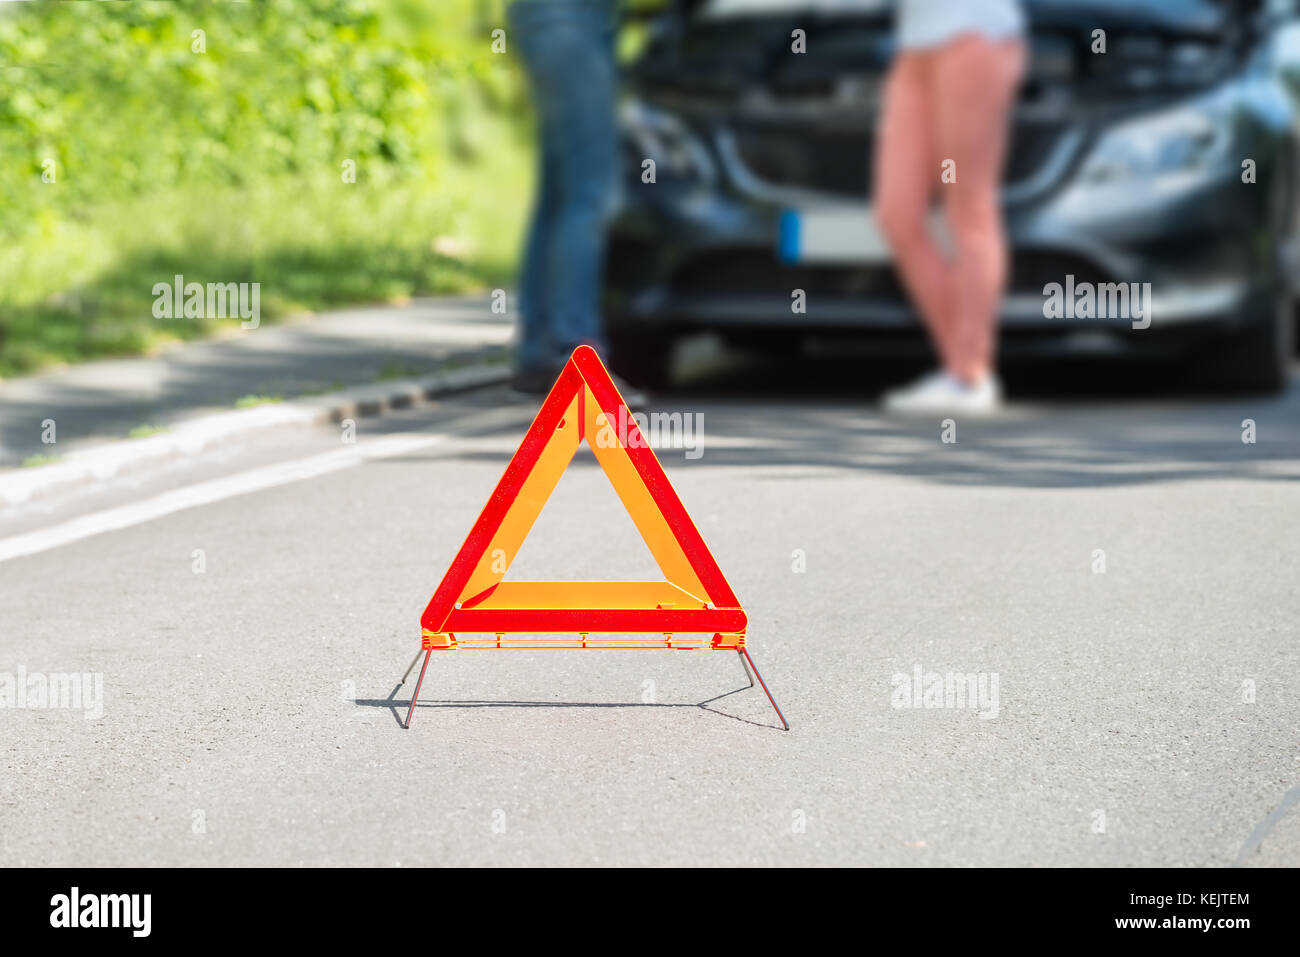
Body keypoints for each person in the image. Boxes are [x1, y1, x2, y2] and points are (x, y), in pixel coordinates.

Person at [874, 0, 1027, 415]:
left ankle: (969, 373)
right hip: (915, 47)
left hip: (974, 37)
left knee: (967, 204)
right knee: (896, 213)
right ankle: (960, 366)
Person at [507, 0, 620, 396]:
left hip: (555, 19)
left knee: (560, 192)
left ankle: (539, 350)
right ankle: (573, 351)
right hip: (571, 19)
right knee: (589, 192)